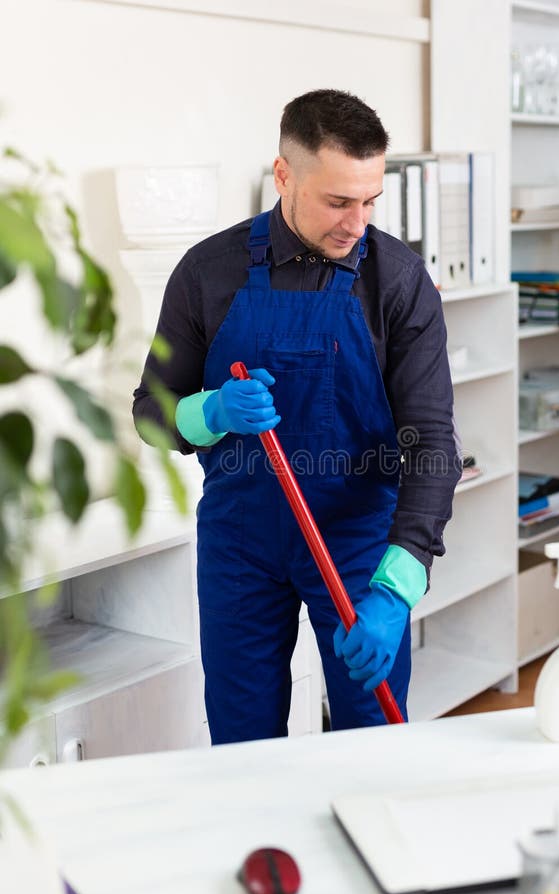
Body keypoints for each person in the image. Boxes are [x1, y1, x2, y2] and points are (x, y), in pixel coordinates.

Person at [133, 88, 460, 744]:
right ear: (284, 175)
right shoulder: (207, 273)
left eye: (370, 201)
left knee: (372, 739)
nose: (356, 224)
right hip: (240, 540)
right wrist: (212, 410)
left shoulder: (397, 282)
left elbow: (431, 443)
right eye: (338, 201)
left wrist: (396, 589)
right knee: (243, 739)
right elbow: (151, 413)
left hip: (358, 542)